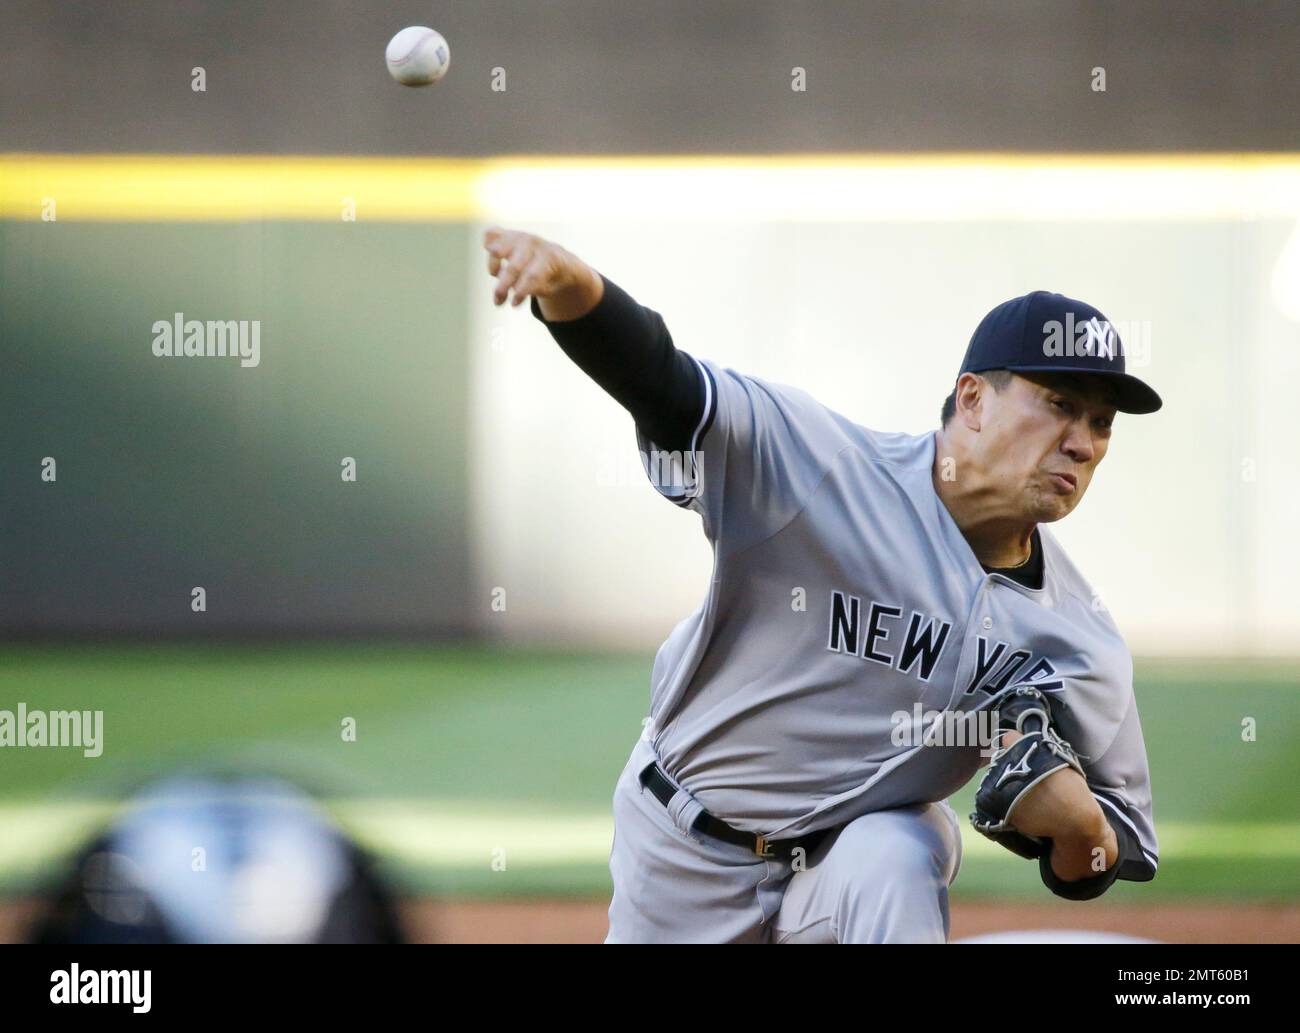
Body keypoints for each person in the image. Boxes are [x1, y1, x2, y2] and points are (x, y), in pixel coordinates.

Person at [484, 226, 1159, 943]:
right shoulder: (824, 470)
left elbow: (1118, 843)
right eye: (1059, 403)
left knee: (900, 849)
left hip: (843, 871)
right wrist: (572, 290)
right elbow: (666, 385)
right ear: (972, 399)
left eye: (1100, 422)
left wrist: (1081, 830)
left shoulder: (1081, 638)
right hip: (682, 849)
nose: (1084, 442)